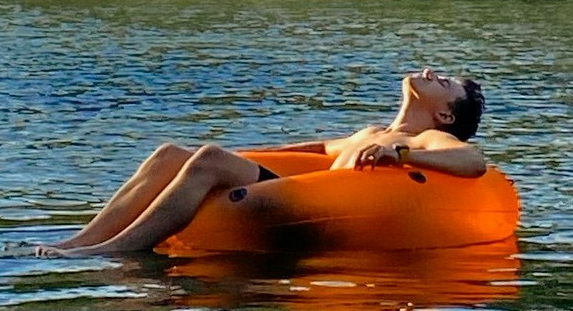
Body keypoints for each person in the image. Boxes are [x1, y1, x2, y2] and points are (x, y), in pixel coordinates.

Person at [55, 66, 489, 259]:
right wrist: (243, 153)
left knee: (207, 161)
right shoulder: (370, 132)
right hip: (305, 190)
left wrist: (403, 153)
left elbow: (473, 162)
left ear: (445, 115)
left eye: (444, 81)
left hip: (315, 209)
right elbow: (318, 152)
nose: (431, 71)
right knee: (171, 153)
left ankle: (116, 251)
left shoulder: (427, 137)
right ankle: (78, 242)